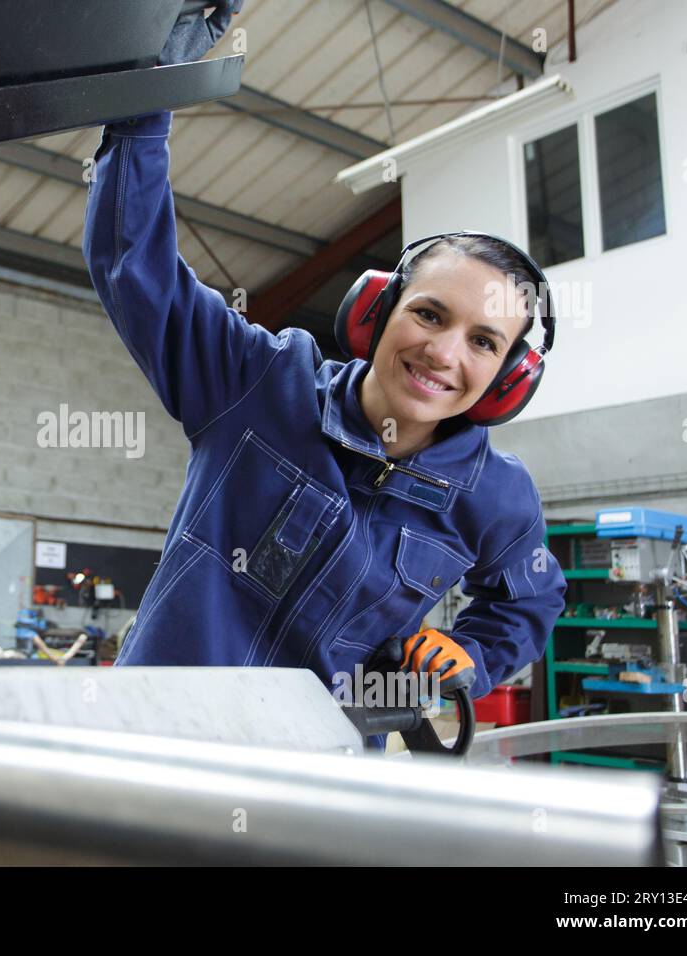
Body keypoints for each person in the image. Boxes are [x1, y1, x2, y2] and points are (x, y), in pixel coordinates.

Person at [81, 106, 568, 750]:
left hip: (316, 772)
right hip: (158, 739)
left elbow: (529, 600)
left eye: (483, 341)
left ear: (510, 377)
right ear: (377, 311)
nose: (444, 354)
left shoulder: (496, 496)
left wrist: (468, 655)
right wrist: (142, 115)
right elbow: (136, 270)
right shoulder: (260, 384)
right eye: (428, 314)